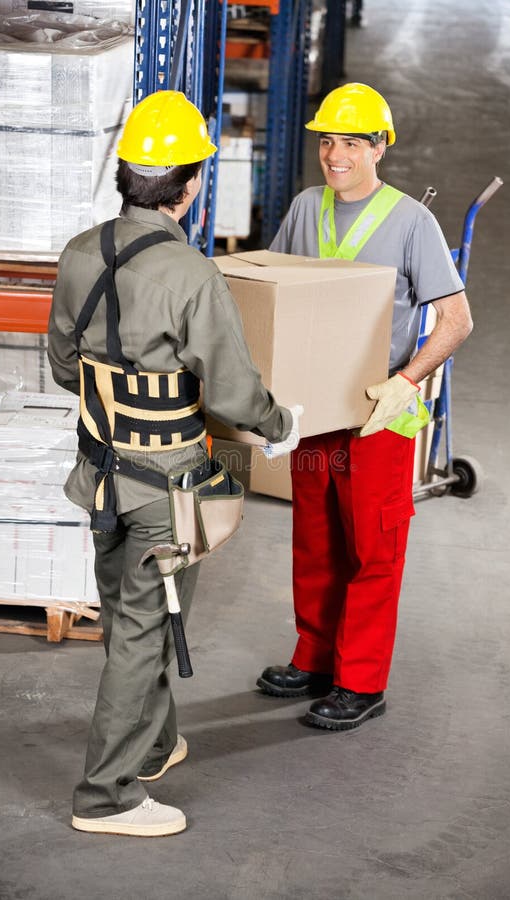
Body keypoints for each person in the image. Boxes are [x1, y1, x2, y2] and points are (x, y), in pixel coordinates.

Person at [48, 90, 298, 837]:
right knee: (141, 628)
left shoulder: (79, 254)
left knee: (132, 617)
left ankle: (153, 746)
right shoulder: (192, 275)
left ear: (126, 175)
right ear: (189, 186)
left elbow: (66, 365)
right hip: (166, 489)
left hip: (99, 478)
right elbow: (232, 391)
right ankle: (106, 796)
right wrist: (281, 425)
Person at [257, 83, 473, 731]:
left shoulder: (412, 222)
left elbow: (456, 321)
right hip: (317, 411)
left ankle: (361, 681)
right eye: (327, 140)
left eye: (352, 141)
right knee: (315, 541)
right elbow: (279, 291)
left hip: (382, 416)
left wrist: (407, 381)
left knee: (373, 551)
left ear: (380, 147)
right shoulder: (304, 208)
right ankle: (314, 659)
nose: (336, 154)